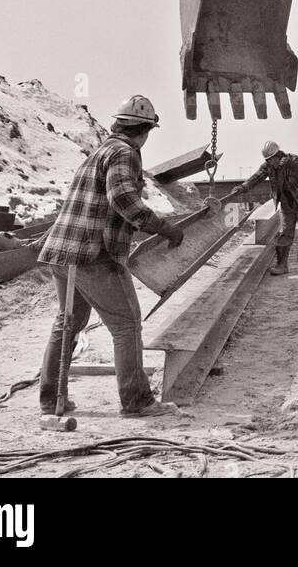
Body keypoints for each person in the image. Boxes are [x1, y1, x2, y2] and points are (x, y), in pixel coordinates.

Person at [36, 95, 185, 419]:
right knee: (127, 324)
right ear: (144, 131)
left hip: (63, 253)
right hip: (93, 254)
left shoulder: (99, 152)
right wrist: (165, 229)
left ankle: (50, 399)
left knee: (67, 324)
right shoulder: (125, 153)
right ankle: (137, 401)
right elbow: (124, 199)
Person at [240, 141, 298, 276]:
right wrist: (243, 187)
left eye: (272, 159)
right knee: (285, 233)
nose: (270, 162)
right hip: (287, 204)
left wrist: (291, 167)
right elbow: (256, 177)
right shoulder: (268, 166)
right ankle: (281, 265)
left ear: (278, 155)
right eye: (267, 160)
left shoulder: (293, 160)